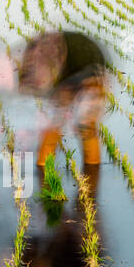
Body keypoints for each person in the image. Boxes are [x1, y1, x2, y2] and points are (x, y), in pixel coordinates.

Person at [17, 30, 110, 168]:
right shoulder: (44, 50)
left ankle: (44, 165)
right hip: (91, 70)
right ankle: (91, 170)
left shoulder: (49, 51)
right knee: (84, 126)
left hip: (92, 73)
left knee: (69, 124)